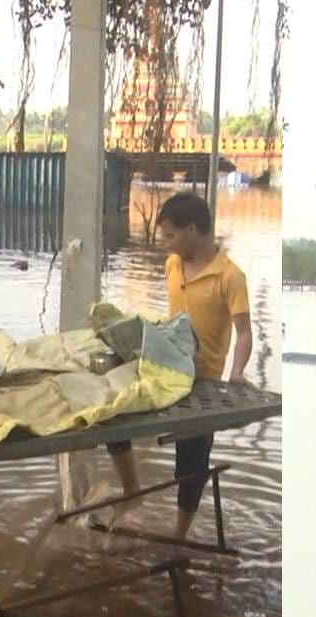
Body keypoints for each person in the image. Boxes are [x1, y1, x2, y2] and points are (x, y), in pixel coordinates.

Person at [105, 192, 252, 539]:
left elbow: (244, 333)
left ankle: (179, 534)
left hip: (201, 381)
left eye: (170, 236)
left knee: (192, 461)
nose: (164, 244)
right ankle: (131, 492)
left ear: (192, 229)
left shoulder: (230, 277)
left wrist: (237, 372)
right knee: (113, 412)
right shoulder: (173, 265)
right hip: (166, 369)